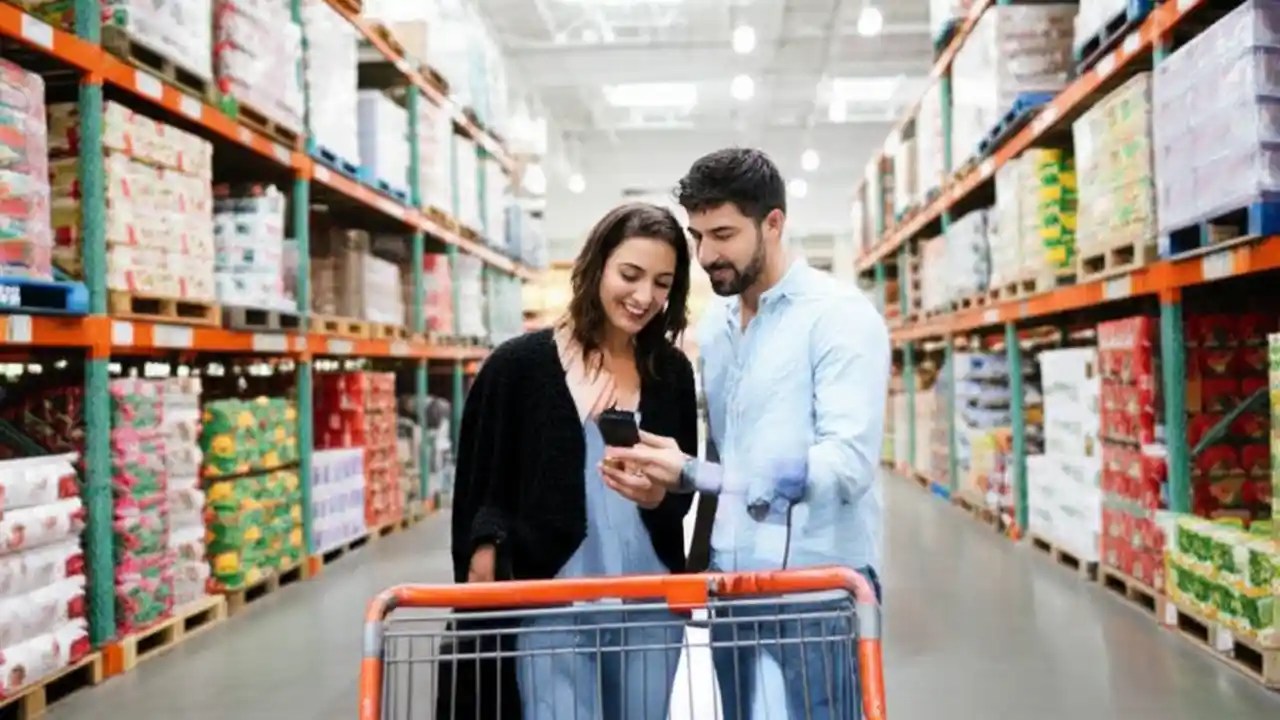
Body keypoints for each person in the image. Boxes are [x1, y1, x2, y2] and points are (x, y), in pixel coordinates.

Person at [601, 148, 890, 719]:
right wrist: (695, 550)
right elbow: (721, 456)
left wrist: (700, 471)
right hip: (734, 591)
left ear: (773, 223)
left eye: (724, 234)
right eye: (698, 236)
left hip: (818, 593)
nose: (707, 255)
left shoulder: (839, 317)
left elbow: (846, 466)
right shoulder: (718, 330)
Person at [448, 202, 699, 720]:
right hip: (551, 605)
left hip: (648, 602)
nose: (643, 296)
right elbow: (481, 483)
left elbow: (681, 490)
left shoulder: (671, 373)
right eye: (630, 275)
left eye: (662, 282)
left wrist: (660, 496)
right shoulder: (519, 367)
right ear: (596, 266)